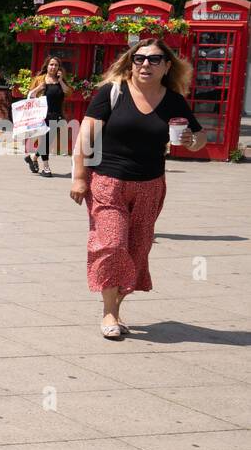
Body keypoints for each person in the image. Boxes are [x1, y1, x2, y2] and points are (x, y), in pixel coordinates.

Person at [70, 39, 203, 339]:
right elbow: (86, 136)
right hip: (107, 182)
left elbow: (199, 136)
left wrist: (193, 142)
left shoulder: (173, 101)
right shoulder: (112, 93)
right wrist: (79, 177)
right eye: (139, 58)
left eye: (155, 60)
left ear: (167, 66)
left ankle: (115, 303)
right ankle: (109, 313)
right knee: (112, 244)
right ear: (131, 63)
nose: (146, 64)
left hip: (150, 185)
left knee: (137, 249)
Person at [27, 55, 71, 177]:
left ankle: (33, 157)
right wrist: (38, 88)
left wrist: (61, 80)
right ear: (47, 66)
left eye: (56, 65)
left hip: (57, 114)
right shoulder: (40, 79)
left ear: (59, 68)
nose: (53, 67)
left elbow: (68, 92)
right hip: (42, 115)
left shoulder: (60, 80)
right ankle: (46, 168)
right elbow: (30, 96)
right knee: (45, 140)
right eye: (51, 64)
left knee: (49, 140)